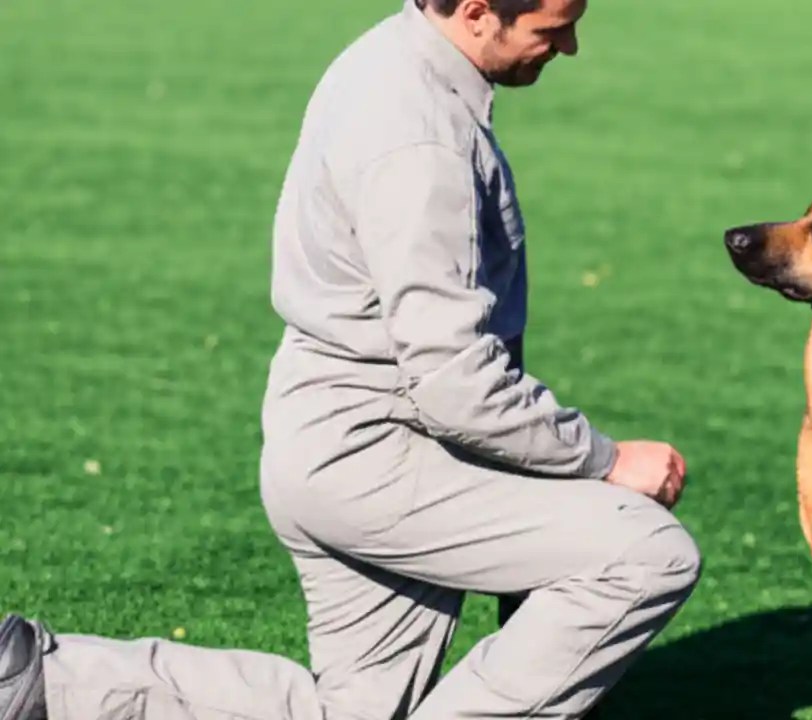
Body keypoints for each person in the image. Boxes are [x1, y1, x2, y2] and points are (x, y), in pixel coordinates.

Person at [0, 0, 701, 717]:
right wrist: (605, 461)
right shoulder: (422, 142)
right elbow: (455, 381)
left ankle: (39, 679)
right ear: (477, 12)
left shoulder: (387, 57)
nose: (572, 46)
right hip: (379, 459)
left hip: (324, 439)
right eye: (552, 29)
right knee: (648, 554)